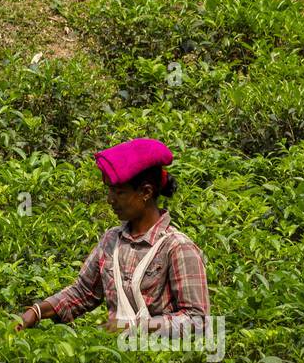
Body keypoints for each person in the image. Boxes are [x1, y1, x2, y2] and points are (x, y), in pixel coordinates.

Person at [16, 138, 208, 335]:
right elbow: (82, 292)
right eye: (109, 191)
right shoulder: (111, 240)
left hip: (161, 360)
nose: (110, 200)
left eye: (119, 192)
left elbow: (197, 320)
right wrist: (36, 311)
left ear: (145, 192)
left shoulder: (177, 247)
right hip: (118, 357)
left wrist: (136, 327)